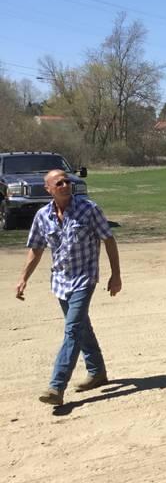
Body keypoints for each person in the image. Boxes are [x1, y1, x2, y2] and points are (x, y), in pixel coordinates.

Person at [14, 169, 122, 406]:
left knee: (72, 329)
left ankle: (56, 386)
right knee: (81, 326)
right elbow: (36, 249)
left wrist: (116, 275)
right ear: (48, 189)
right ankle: (97, 372)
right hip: (61, 281)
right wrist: (24, 278)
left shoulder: (89, 209)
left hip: (85, 278)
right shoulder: (43, 216)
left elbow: (109, 240)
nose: (65, 185)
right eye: (59, 183)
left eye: (67, 181)